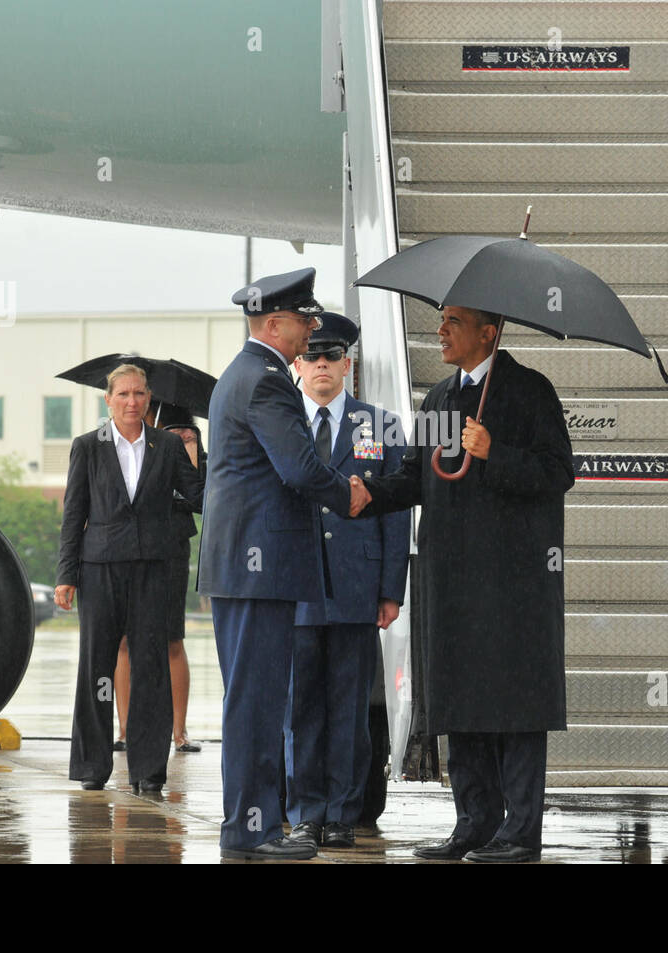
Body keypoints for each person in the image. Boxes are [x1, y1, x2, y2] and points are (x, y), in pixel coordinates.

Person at [359, 305, 574, 862]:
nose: (441, 329)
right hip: (451, 582)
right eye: (442, 319)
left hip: (513, 586)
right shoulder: (438, 400)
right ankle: (474, 821)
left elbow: (558, 473)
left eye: (454, 321)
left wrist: (493, 453)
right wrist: (367, 493)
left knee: (515, 706)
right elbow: (415, 476)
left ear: (489, 331)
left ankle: (520, 832)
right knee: (461, 700)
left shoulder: (530, 392)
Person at [197, 267, 371, 860]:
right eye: (302, 320)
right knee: (257, 704)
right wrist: (345, 490)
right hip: (257, 565)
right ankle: (254, 830)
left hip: (247, 565)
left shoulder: (244, 374)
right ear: (274, 323)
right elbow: (297, 467)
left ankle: (254, 826)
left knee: (256, 700)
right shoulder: (267, 381)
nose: (310, 330)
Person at [284, 313, 410, 850]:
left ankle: (341, 812)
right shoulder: (282, 421)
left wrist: (390, 589)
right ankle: (305, 812)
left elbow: (396, 510)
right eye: (312, 357)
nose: (321, 366)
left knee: (350, 712)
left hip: (358, 589)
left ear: (347, 364)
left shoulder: (378, 426)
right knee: (301, 711)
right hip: (297, 588)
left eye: (331, 357)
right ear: (298, 362)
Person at [55, 365, 205, 793]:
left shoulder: (169, 445)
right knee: (96, 668)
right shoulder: (87, 446)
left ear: (149, 399)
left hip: (154, 569)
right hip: (99, 568)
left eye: (139, 394)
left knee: (151, 667)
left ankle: (148, 770)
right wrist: (65, 575)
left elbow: (198, 498)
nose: (132, 401)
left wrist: (196, 459)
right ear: (109, 399)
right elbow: (73, 515)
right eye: (123, 394)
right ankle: (91, 766)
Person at [114, 402, 203, 755]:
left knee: (171, 638)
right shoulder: (119, 443)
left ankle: (178, 731)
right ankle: (124, 729)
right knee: (123, 640)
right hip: (125, 547)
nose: (135, 405)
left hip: (169, 549)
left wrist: (191, 451)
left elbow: (199, 497)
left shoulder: (183, 438)